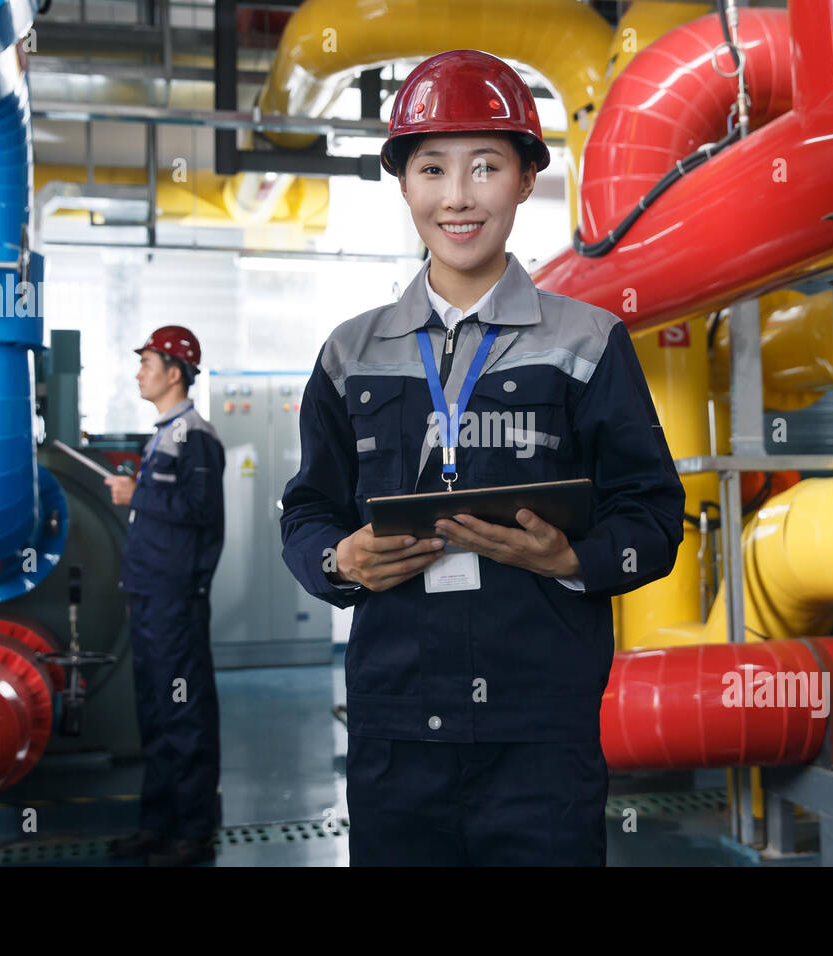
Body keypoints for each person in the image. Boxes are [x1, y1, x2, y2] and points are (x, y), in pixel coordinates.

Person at [280, 49, 684, 867]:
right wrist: (340, 558)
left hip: (539, 733)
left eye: (486, 166)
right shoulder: (349, 354)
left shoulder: (589, 342)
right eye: (432, 168)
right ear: (403, 184)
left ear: (526, 179)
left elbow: (654, 512)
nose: (457, 197)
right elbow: (308, 510)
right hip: (398, 731)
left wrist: (573, 557)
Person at [106, 325, 226, 866]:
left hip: (175, 601)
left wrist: (140, 494)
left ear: (174, 372)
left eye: (147, 363)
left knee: (185, 714)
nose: (139, 372)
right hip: (150, 597)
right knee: (154, 715)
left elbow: (204, 515)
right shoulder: (162, 433)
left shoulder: (194, 436)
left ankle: (193, 833)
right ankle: (157, 824)